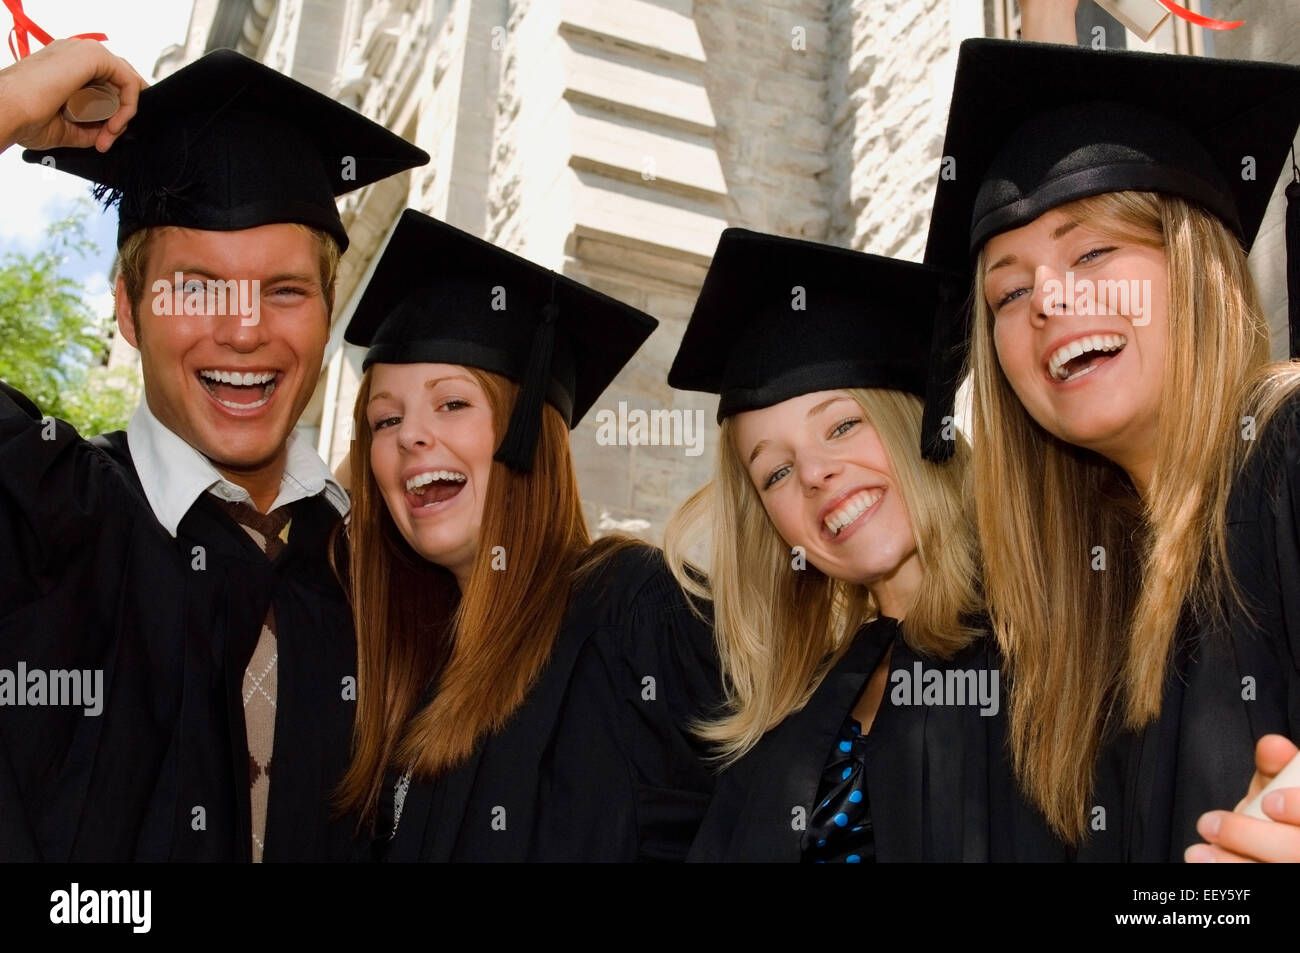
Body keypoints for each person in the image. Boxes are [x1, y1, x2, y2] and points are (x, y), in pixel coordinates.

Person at [0, 42, 427, 860]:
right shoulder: (39, 512)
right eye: (196, 286)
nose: (244, 328)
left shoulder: (389, 582)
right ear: (127, 310)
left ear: (328, 309)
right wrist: (12, 101)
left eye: (285, 289)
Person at [923, 37, 1300, 861]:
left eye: (1093, 251)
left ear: (1197, 263)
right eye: (1008, 292)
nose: (1048, 301)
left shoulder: (1289, 453)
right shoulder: (1091, 601)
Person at [663, 228, 1062, 862]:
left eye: (843, 425)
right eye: (776, 473)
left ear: (919, 428)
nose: (815, 474)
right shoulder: (791, 718)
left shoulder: (1063, 634)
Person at [337, 209, 721, 861]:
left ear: (526, 435)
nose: (409, 435)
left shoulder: (639, 611)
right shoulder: (409, 668)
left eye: (452, 402)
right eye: (384, 419)